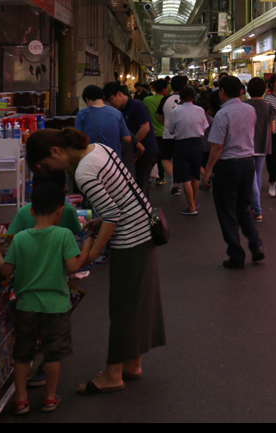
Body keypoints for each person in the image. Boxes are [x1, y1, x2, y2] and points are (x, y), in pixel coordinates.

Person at [26, 128, 166, 395]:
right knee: (138, 303)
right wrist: (100, 221)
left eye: (47, 163)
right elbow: (125, 196)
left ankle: (113, 374)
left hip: (131, 240)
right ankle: (132, 364)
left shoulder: (83, 172)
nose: (52, 169)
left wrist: (90, 253)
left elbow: (114, 214)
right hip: (146, 232)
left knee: (123, 308)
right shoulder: (101, 149)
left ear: (56, 151)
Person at [0, 179, 96, 413]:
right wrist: (88, 245)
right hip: (56, 307)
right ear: (61, 211)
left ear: (31, 211)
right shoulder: (63, 236)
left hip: (26, 306)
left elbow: (7, 270)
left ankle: (21, 398)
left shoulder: (20, 238)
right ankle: (49, 397)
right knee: (52, 354)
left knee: (23, 354)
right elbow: (73, 267)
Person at [204, 76, 264, 269]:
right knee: (243, 208)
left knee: (227, 211)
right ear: (240, 91)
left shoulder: (223, 114)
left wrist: (207, 171)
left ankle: (236, 255)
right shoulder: (250, 110)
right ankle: (256, 245)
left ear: (222, 91)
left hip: (227, 166)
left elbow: (217, 146)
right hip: (248, 163)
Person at [105, 82, 158, 193]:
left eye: (111, 100)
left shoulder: (137, 106)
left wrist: (133, 144)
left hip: (145, 152)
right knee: (135, 186)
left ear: (119, 94)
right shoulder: (120, 111)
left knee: (139, 186)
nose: (111, 104)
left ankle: (143, 209)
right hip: (133, 152)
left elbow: (145, 128)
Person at [164, 86, 208, 216]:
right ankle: (194, 201)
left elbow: (170, 130)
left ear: (180, 98)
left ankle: (191, 207)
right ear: (194, 97)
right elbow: (204, 128)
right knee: (195, 175)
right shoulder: (200, 110)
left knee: (185, 177)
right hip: (197, 144)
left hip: (181, 145)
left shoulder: (176, 111)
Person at [75, 85, 132, 169]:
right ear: (103, 97)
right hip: (114, 161)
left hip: (92, 161)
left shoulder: (82, 114)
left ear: (87, 100)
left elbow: (77, 139)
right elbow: (127, 139)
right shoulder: (117, 113)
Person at [244, 77, 276, 221]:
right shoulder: (268, 107)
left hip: (247, 145)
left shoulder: (244, 106)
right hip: (263, 145)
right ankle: (254, 206)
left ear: (248, 91)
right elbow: (273, 129)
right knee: (257, 175)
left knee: (251, 177)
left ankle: (257, 209)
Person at [157, 76, 188, 196]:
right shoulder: (188, 100)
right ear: (185, 86)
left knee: (165, 158)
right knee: (181, 160)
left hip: (168, 135)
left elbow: (160, 117)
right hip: (184, 136)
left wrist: (168, 124)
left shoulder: (165, 99)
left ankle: (174, 178)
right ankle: (180, 181)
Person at [143, 80, 170, 188]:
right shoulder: (166, 100)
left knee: (150, 156)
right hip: (164, 133)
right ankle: (161, 178)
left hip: (150, 132)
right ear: (164, 89)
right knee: (162, 157)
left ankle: (148, 177)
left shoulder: (146, 100)